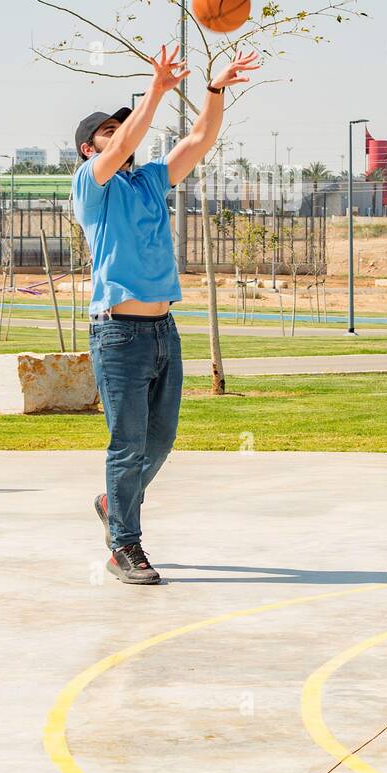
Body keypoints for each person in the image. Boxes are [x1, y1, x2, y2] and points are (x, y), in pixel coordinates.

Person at [71, 43, 259, 585]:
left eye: (120, 129)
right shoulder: (91, 187)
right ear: (89, 149)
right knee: (127, 442)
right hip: (118, 335)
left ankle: (114, 502)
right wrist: (155, 89)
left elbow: (199, 139)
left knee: (161, 440)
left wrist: (215, 88)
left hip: (162, 330)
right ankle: (124, 547)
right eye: (109, 131)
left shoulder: (151, 179)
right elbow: (131, 137)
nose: (121, 135)